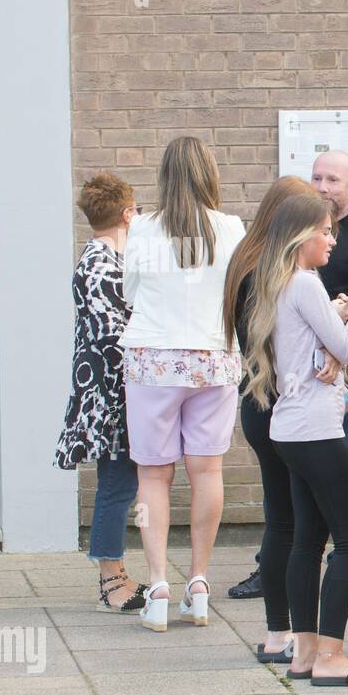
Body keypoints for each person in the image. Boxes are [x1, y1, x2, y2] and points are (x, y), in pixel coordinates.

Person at [227, 149, 348, 599]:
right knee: (292, 500)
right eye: (317, 179)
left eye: (332, 180)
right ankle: (298, 573)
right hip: (294, 389)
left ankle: (335, 571)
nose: (324, 188)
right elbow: (274, 328)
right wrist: (338, 334)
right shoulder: (278, 270)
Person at [242, 191, 348, 685]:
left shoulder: (282, 282)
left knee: (307, 539)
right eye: (325, 232)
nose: (332, 239)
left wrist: (344, 307)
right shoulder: (304, 283)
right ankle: (331, 657)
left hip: (290, 429)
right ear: (301, 236)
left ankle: (304, 653)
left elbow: (320, 340)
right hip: (315, 430)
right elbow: (347, 348)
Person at [122, 137, 245, 633]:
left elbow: (131, 290)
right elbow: (239, 290)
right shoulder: (231, 227)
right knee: (207, 470)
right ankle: (198, 581)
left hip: (153, 357)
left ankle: (157, 583)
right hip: (214, 356)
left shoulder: (144, 228)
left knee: (153, 477)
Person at [222, 176, 319, 662]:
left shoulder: (244, 260)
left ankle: (278, 635)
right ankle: (299, 639)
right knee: (303, 525)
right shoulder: (275, 273)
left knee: (282, 519)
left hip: (256, 403)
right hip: (285, 405)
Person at [55, 173, 146, 613]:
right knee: (116, 485)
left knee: (120, 483)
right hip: (113, 395)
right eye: (138, 210)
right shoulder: (103, 265)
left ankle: (116, 573)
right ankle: (111, 581)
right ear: (127, 213)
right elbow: (115, 338)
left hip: (110, 392)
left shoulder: (101, 257)